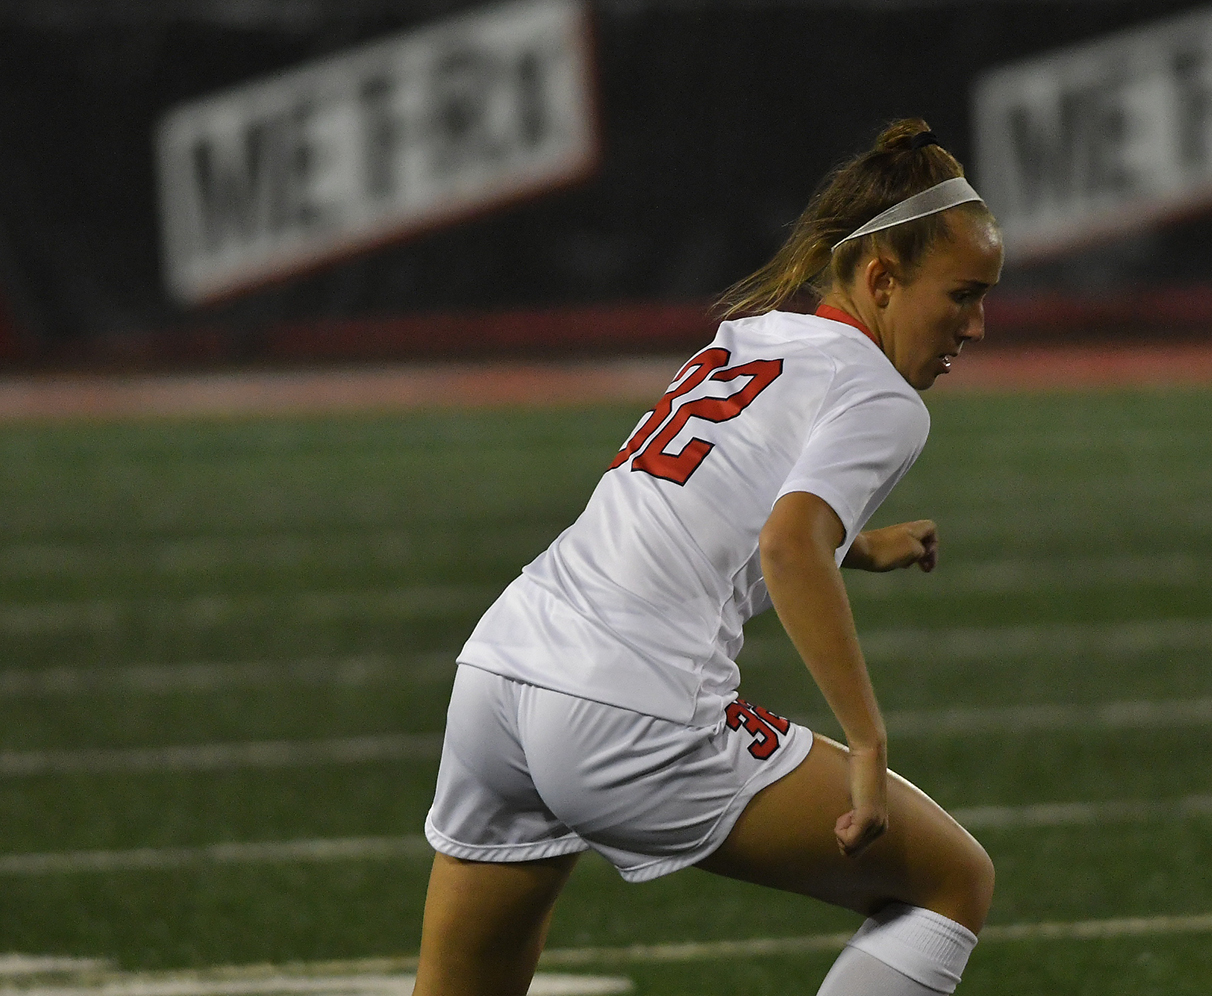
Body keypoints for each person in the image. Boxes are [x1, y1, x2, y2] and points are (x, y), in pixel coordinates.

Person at [413, 118, 1002, 996]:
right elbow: (787, 538)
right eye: (962, 294)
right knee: (953, 881)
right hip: (627, 705)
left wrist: (856, 543)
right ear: (882, 278)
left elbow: (700, 509)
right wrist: (869, 744)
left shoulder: (749, 334)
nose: (978, 325)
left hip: (501, 673)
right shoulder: (883, 395)